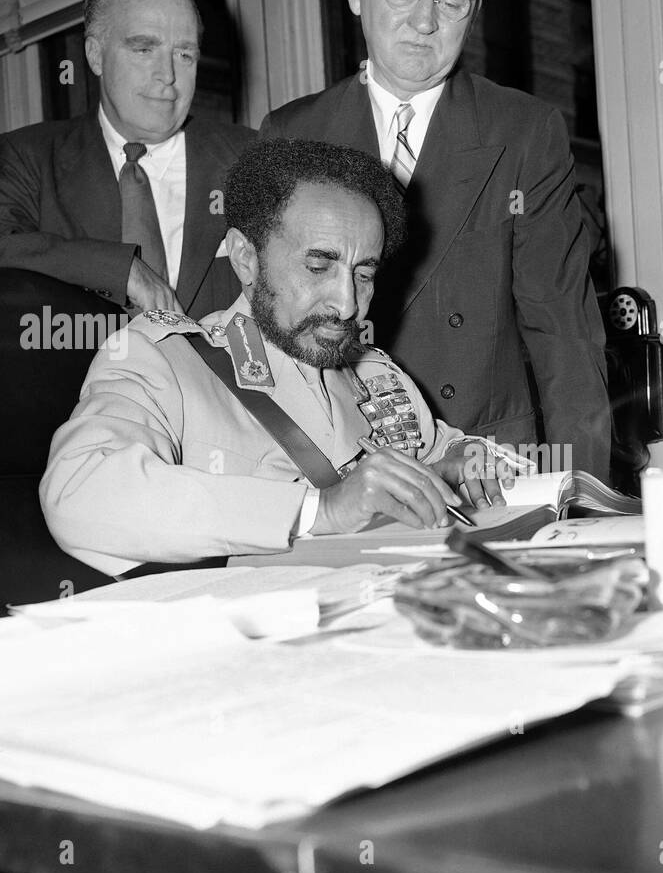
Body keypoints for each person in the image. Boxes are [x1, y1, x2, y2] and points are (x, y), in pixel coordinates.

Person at [261, 0, 612, 481]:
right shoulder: (290, 135)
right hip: (343, 467)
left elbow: (565, 342)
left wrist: (582, 504)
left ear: (472, 13)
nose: (424, 21)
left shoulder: (525, 132)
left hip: (489, 470)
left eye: (450, 3)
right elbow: (269, 340)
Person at [41, 138, 516, 578]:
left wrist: (465, 460)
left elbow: (445, 451)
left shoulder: (375, 372)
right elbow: (79, 494)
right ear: (246, 258)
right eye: (318, 266)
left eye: (364, 273)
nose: (348, 304)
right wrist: (319, 510)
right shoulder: (162, 358)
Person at [0, 0, 255, 318]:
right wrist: (122, 270)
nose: (168, 75)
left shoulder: (250, 158)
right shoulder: (27, 159)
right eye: (143, 49)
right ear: (94, 55)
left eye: (184, 54)